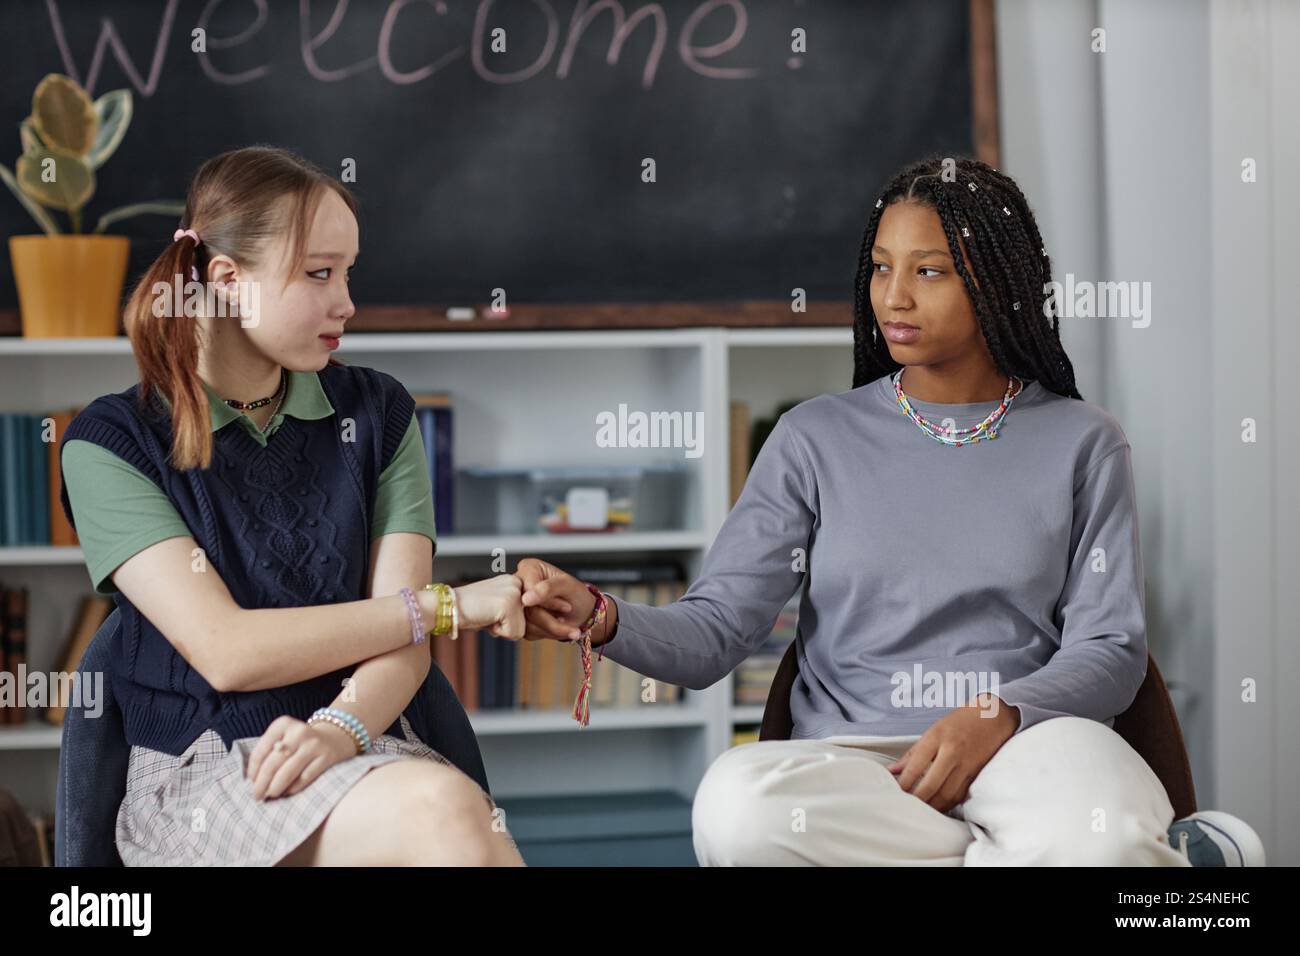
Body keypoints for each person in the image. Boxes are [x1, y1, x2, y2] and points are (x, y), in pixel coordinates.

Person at [512, 155, 1265, 866]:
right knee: (737, 811)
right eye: (880, 268)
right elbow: (714, 635)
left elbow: (1111, 650)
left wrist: (997, 714)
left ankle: (1069, 842)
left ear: (999, 283)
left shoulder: (1083, 441)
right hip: (860, 767)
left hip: (1033, 745)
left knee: (1095, 841)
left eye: (928, 272)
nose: (893, 297)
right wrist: (601, 615)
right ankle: (1067, 851)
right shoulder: (814, 436)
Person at [58, 145, 565, 866]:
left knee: (451, 811)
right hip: (203, 774)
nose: (347, 302)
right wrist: (453, 605)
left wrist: (339, 729)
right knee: (447, 812)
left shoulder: (379, 412)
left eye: (348, 272)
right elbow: (226, 651)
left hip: (368, 739)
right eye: (319, 274)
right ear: (229, 281)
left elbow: (402, 647)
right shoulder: (109, 442)